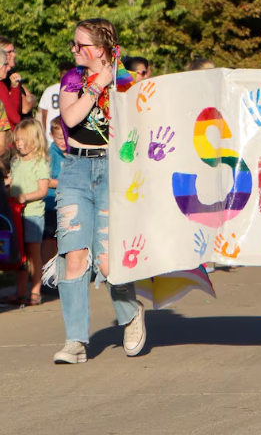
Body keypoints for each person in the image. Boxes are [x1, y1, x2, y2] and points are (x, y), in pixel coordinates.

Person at [49, 18, 145, 364]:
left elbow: (143, 122)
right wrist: (95, 86)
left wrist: (112, 83)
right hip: (75, 169)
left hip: (114, 171)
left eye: (80, 45)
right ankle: (75, 340)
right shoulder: (74, 79)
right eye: (74, 44)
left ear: (101, 49)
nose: (74, 50)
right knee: (73, 255)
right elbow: (70, 119)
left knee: (107, 259)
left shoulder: (125, 81)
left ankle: (131, 315)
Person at [7, 119, 50, 307]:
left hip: (33, 214)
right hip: (16, 215)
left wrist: (26, 196)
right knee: (20, 256)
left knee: (33, 255)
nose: (19, 143)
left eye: (23, 139)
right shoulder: (16, 162)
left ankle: (35, 291)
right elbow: (12, 180)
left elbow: (43, 190)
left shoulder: (40, 163)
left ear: (35, 140)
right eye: (17, 140)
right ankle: (21, 291)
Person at [42, 117, 66, 276]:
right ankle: (48, 276)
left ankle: (62, 273)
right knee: (50, 240)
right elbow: (45, 180)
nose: (63, 141)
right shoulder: (50, 155)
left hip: (67, 203)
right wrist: (66, 182)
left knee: (64, 240)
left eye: (65, 137)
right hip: (51, 203)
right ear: (51, 135)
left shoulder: (72, 153)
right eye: (59, 138)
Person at [0, 36, 36, 125]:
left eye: (14, 51)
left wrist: (31, 98)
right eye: (9, 52)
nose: (14, 55)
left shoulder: (9, 75)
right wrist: (31, 100)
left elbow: (30, 96)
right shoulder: (4, 81)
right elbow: (25, 108)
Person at [39, 62, 75, 145]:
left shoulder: (49, 90)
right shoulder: (74, 90)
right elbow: (44, 115)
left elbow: (44, 115)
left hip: (53, 134)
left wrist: (46, 132)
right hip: (58, 132)